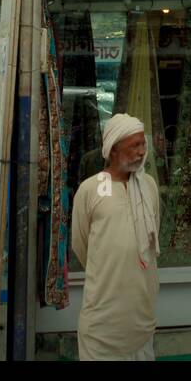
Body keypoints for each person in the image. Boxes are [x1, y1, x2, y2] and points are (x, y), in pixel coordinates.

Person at [71, 113, 161, 361]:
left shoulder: (149, 186)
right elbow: (81, 245)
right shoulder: (90, 189)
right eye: (134, 145)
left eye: (143, 144)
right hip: (102, 322)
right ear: (113, 150)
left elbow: (153, 238)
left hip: (141, 317)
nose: (142, 151)